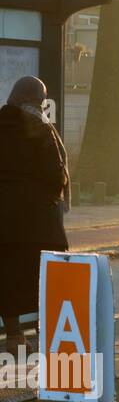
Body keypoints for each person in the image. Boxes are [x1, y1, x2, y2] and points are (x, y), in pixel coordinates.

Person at [0, 76, 68, 356]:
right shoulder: (41, 128)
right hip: (39, 220)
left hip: (4, 220)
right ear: (35, 100)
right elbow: (55, 174)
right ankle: (46, 332)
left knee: (8, 276)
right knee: (47, 275)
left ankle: (14, 336)